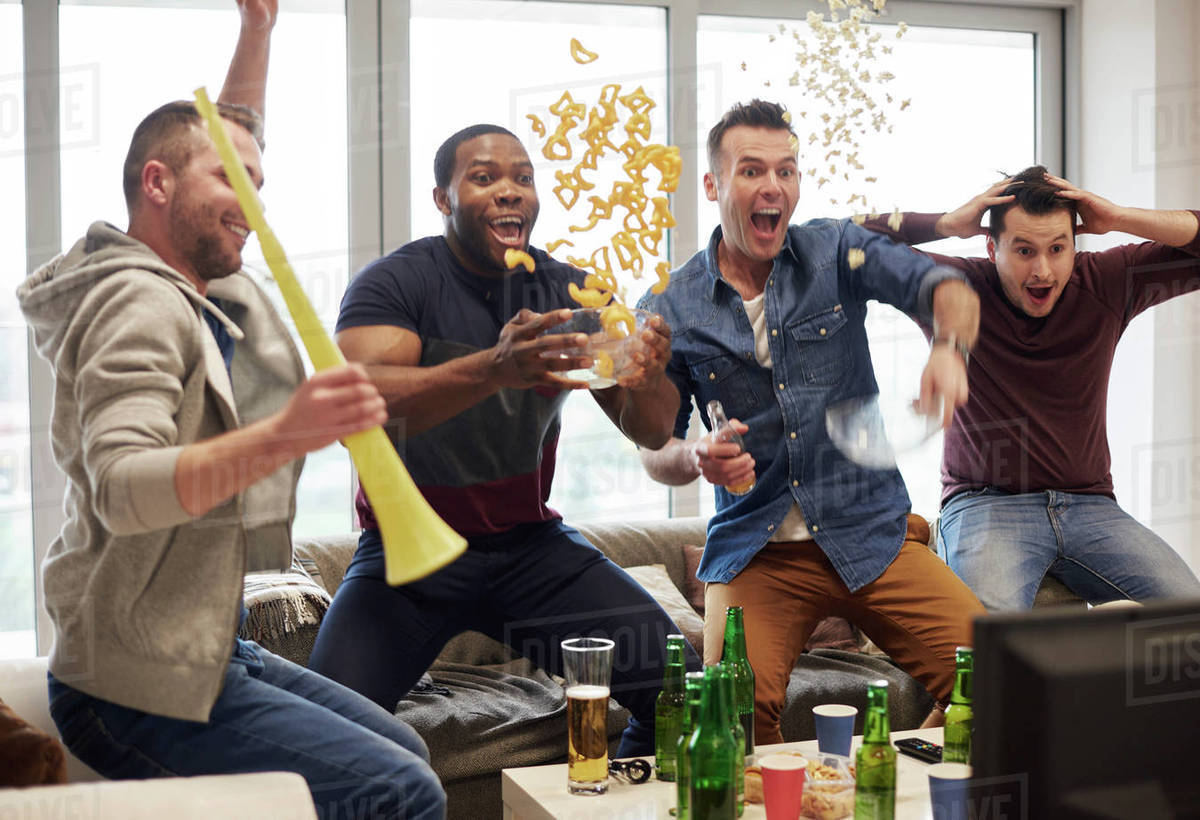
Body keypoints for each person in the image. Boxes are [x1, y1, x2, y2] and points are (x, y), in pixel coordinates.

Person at [16, 4, 445, 817]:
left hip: (210, 650)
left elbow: (224, 134)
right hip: (129, 688)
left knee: (408, 753)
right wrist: (284, 434)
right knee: (400, 791)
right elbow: (121, 486)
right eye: (230, 183)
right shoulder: (136, 305)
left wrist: (259, 32)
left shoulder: (187, 286)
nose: (251, 203)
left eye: (258, 184)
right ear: (157, 185)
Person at [307, 122, 700, 757]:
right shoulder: (397, 285)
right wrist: (495, 368)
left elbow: (651, 428)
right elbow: (359, 407)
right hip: (409, 557)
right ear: (443, 198)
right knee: (323, 740)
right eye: (484, 178)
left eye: (523, 178)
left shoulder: (572, 293)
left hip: (529, 551)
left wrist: (650, 376)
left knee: (686, 695)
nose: (510, 192)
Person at [636, 99, 988, 746]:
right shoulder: (668, 305)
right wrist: (695, 459)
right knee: (729, 722)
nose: (773, 186)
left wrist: (947, 348)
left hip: (871, 533)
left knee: (1001, 678)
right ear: (714, 186)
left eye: (787, 170)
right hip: (757, 550)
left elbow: (950, 291)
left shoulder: (838, 251)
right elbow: (654, 447)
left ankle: (906, 772)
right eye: (751, 171)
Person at [861, 165, 1200, 611]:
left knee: (1188, 617)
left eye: (1057, 248)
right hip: (985, 507)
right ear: (991, 247)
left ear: (1075, 246)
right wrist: (946, 224)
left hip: (1091, 507)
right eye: (1023, 250)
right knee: (984, 648)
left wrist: (1117, 217)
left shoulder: (1107, 281)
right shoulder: (952, 287)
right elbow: (845, 246)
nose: (1042, 270)